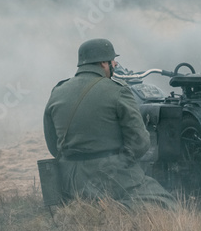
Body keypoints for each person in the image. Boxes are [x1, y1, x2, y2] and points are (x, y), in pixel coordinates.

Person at [43, 38, 176, 208]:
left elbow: (53, 145)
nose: (115, 64)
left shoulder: (58, 91)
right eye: (113, 60)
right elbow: (141, 142)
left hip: (69, 179)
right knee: (167, 204)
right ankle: (110, 211)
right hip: (109, 175)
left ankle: (84, 209)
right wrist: (123, 162)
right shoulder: (118, 90)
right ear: (104, 63)